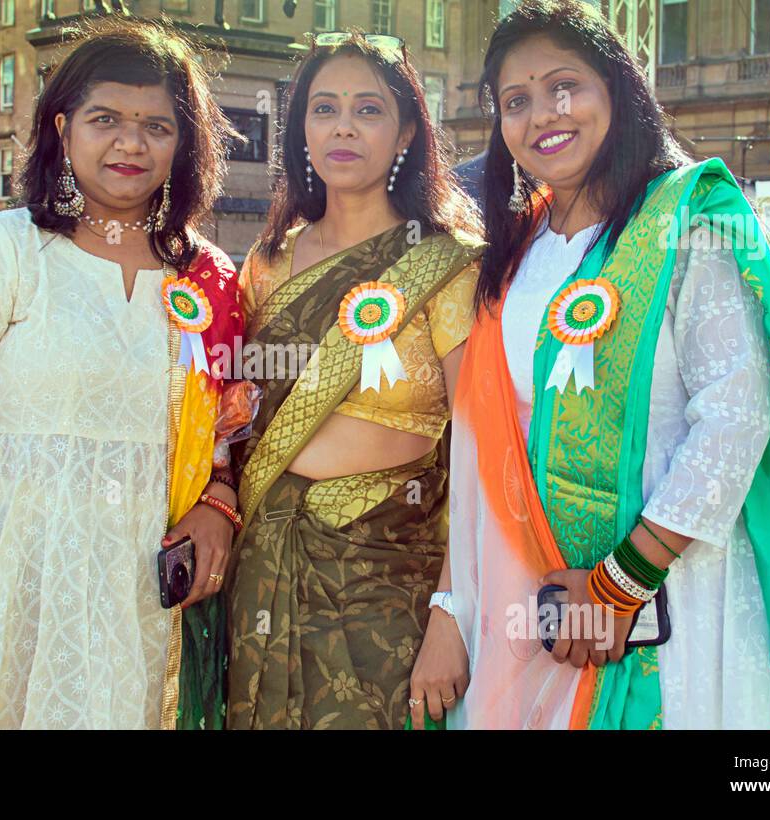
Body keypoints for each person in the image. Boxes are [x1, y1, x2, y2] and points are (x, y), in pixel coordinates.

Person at [446, 0, 770, 729]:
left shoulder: (689, 223)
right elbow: (489, 431)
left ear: (617, 91)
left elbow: (734, 418)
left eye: (565, 86)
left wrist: (621, 582)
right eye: (516, 101)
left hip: (672, 603)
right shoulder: (517, 248)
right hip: (539, 596)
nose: (543, 114)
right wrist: (458, 602)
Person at [0, 19, 246, 730]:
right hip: (10, 590)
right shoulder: (2, 250)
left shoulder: (208, 278)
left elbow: (228, 435)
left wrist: (219, 501)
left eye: (157, 125)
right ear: (63, 126)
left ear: (186, 142)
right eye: (105, 119)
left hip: (144, 605)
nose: (131, 143)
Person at [226, 31, 484, 730]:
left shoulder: (450, 264)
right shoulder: (268, 262)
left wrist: (451, 612)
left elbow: (483, 450)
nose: (342, 126)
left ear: (405, 131)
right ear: (301, 128)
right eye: (324, 108)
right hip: (265, 569)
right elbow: (235, 417)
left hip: (389, 579)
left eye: (368, 110)